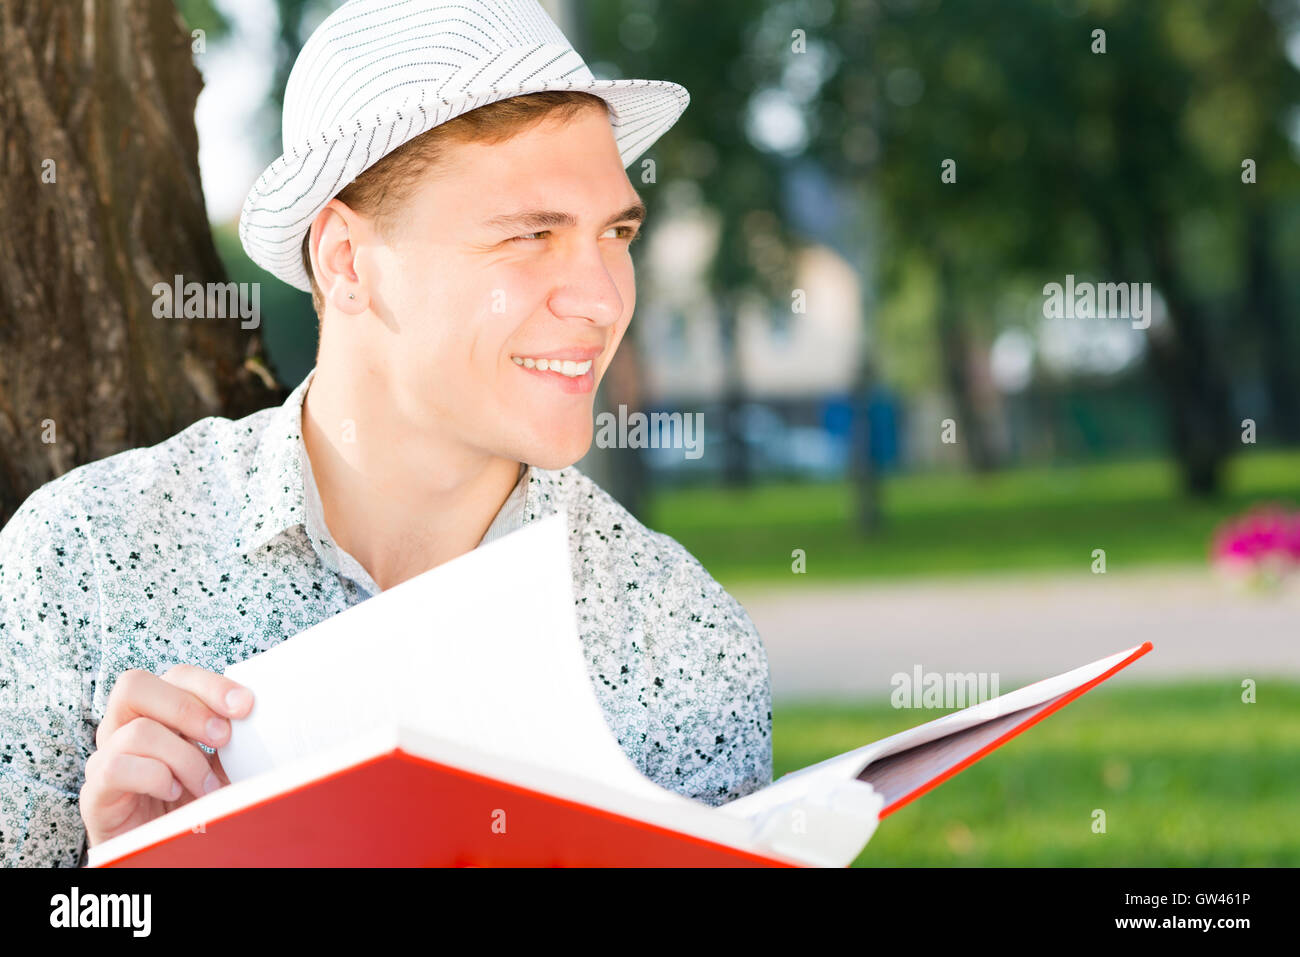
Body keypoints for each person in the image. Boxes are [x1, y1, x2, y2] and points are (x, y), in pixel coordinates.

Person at [0, 0, 772, 868]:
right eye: (531, 236)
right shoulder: (80, 567)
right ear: (346, 260)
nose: (601, 297)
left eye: (615, 233)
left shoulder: (682, 640)